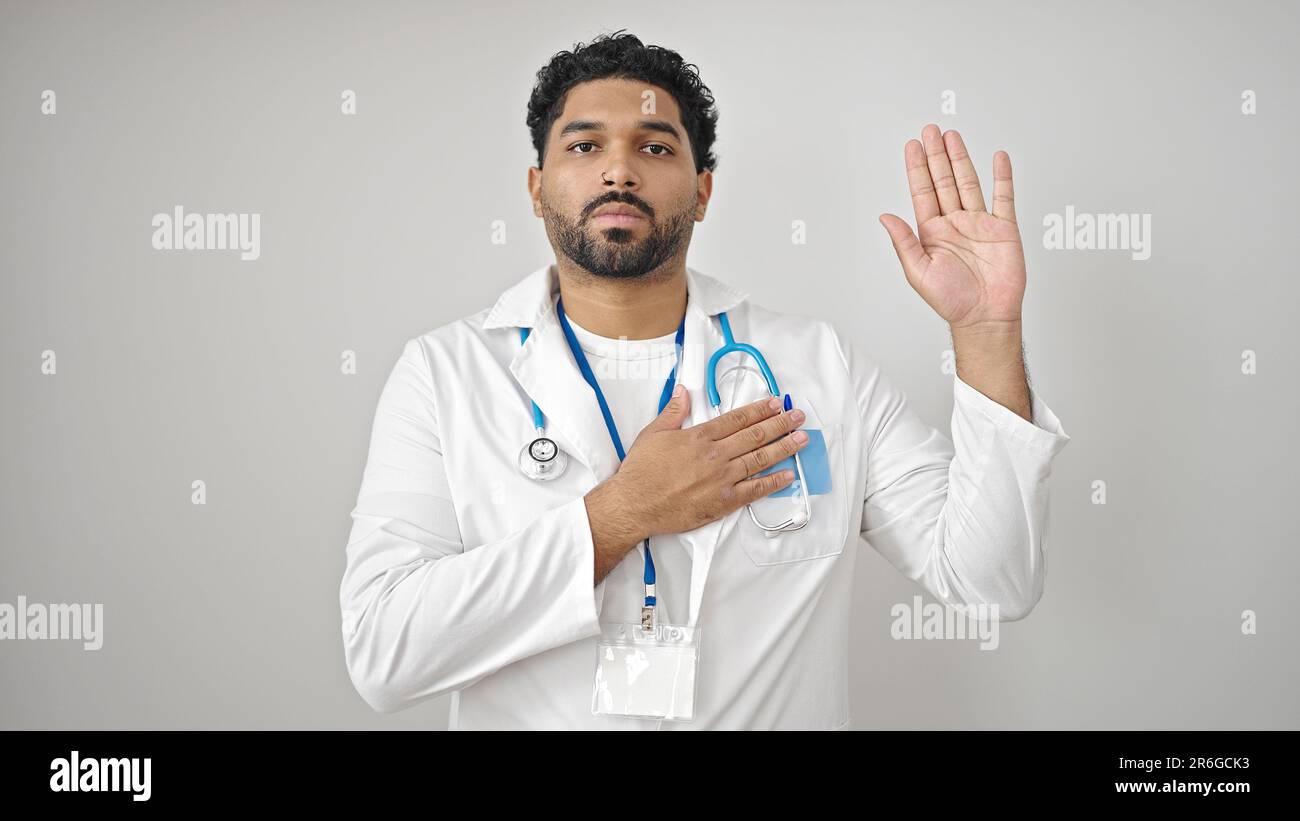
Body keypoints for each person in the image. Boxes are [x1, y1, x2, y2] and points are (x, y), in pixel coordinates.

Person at [338, 30, 1071, 729]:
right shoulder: (443, 374)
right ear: (536, 187)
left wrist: (984, 334)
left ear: (703, 191)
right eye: (585, 145)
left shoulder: (820, 367)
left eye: (655, 147)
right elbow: (382, 650)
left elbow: (990, 582)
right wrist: (618, 516)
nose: (618, 169)